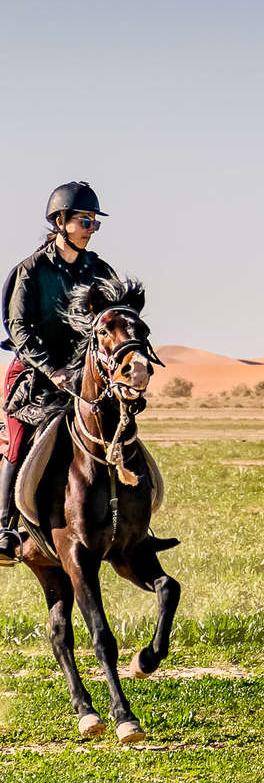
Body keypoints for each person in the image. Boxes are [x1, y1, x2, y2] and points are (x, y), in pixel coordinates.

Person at [1, 182, 122, 563]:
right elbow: (17, 327)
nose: (91, 227)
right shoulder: (30, 271)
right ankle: (4, 528)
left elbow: (114, 319)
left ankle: (131, 522)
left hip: (84, 375)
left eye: (95, 222)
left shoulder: (100, 270)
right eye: (85, 220)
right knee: (19, 442)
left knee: (118, 430)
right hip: (34, 374)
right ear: (61, 221)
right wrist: (51, 368)